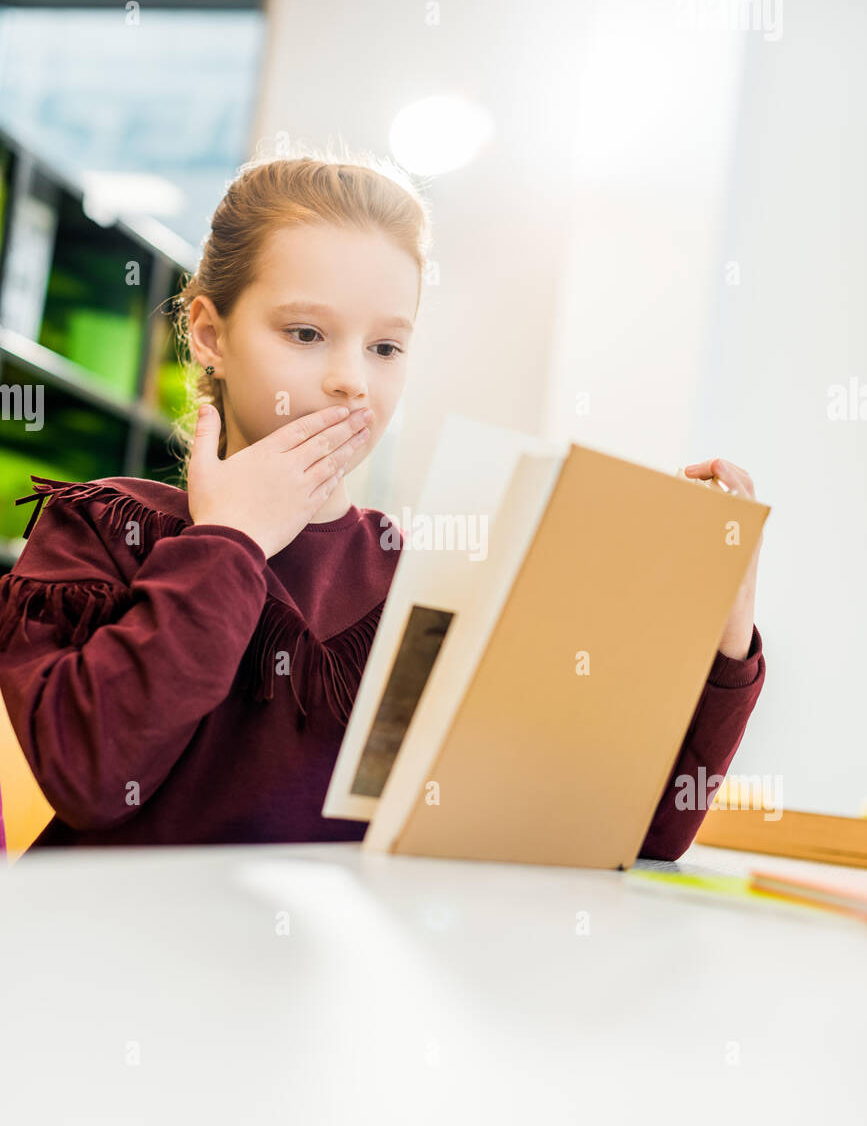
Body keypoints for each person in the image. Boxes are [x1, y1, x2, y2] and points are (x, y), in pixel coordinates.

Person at [0, 149, 765, 856]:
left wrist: (720, 633)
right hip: (112, 978)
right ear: (209, 334)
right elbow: (92, 774)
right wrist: (230, 539)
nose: (351, 382)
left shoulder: (425, 575)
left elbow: (635, 832)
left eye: (386, 348)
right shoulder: (102, 525)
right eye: (306, 333)